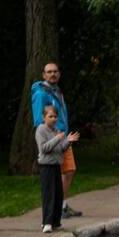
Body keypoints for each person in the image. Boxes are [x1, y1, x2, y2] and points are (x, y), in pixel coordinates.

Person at [30, 62, 81, 218]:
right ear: (44, 75)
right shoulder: (41, 94)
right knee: (57, 173)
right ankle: (57, 208)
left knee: (69, 169)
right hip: (54, 138)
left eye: (55, 71)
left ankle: (62, 204)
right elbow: (39, 120)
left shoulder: (57, 91)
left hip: (63, 137)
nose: (52, 74)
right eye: (49, 72)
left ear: (59, 74)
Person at [35, 106, 78, 232]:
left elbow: (61, 149)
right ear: (44, 117)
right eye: (50, 116)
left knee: (58, 194)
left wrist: (68, 141)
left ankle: (55, 222)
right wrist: (57, 138)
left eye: (55, 116)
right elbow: (44, 148)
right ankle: (46, 223)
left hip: (56, 165)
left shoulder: (56, 130)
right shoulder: (41, 130)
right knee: (49, 194)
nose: (53, 119)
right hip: (46, 166)